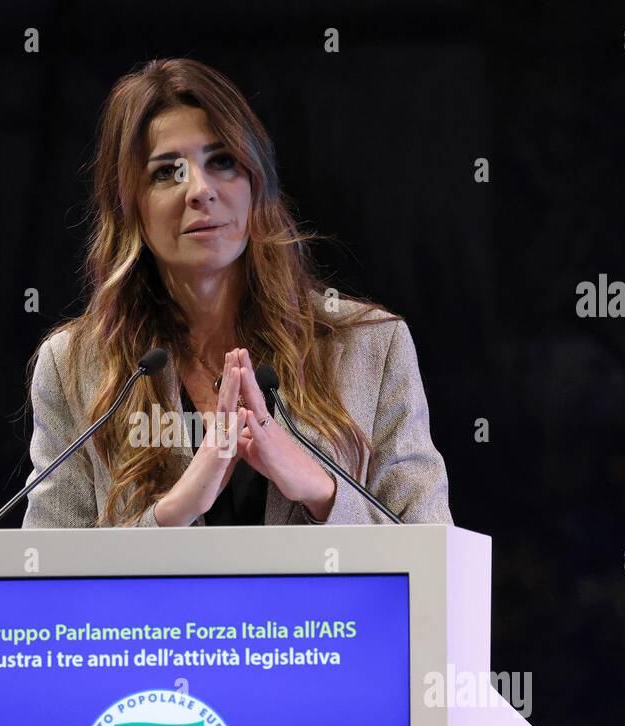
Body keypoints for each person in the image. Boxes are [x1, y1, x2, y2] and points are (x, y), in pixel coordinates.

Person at [22, 58, 452, 528]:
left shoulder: (370, 347)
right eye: (168, 172)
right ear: (129, 205)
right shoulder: (74, 367)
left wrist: (319, 490)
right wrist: (173, 512)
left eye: (222, 161)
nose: (200, 190)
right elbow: (48, 576)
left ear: (255, 183)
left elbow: (433, 559)